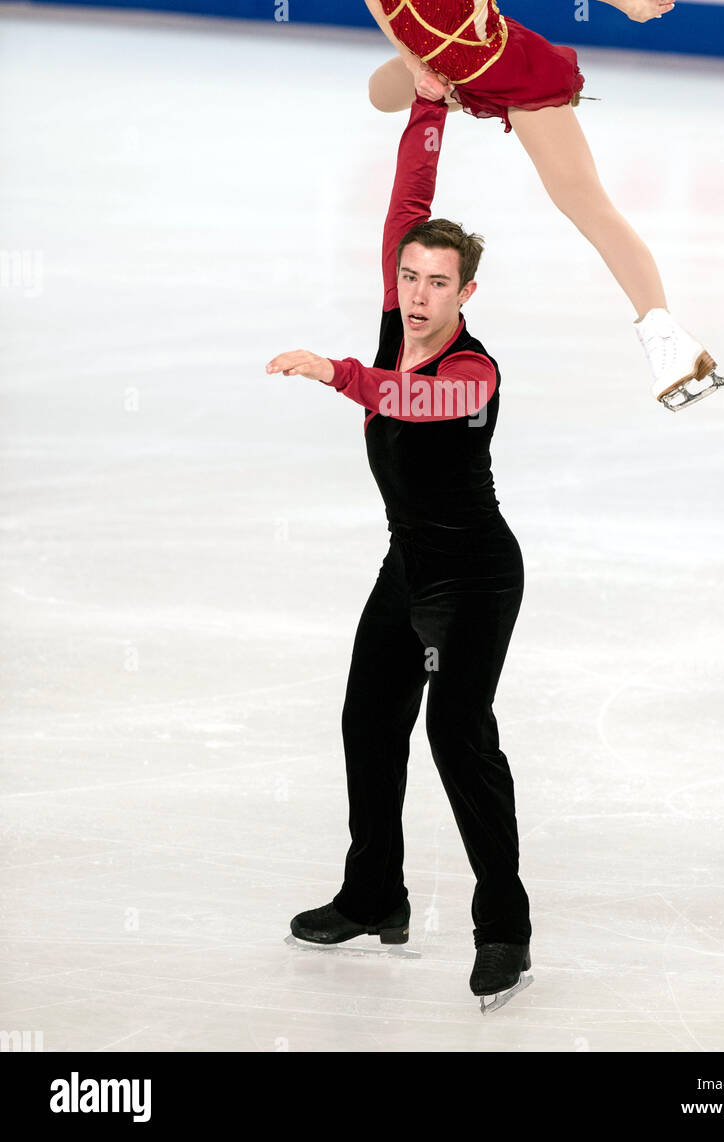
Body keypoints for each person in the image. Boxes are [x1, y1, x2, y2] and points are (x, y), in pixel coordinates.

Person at [267, 94, 532, 1011]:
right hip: (407, 566)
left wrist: (334, 371)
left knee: (457, 734)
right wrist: (429, 102)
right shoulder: (400, 326)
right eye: (410, 278)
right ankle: (376, 892)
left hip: (475, 581)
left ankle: (505, 928)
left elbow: (405, 404)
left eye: (436, 283)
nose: (418, 296)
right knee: (368, 720)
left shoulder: (471, 373)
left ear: (467, 293)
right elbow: (406, 198)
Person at [348, 0, 724, 412]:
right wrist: (417, 63)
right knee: (377, 94)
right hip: (433, 66)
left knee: (582, 202)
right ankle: (422, 77)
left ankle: (665, 333)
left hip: (506, 69)